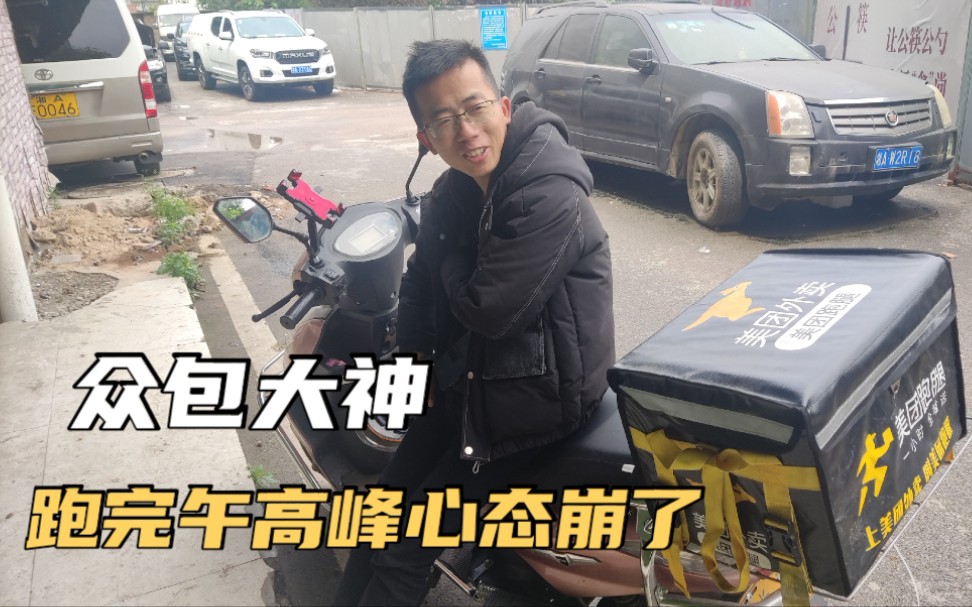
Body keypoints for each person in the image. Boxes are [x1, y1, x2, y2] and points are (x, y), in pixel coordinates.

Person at [333, 39, 614, 606]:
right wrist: (417, 370)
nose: (465, 131)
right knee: (376, 513)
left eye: (474, 107)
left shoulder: (548, 191)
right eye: (443, 120)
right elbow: (417, 287)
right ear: (426, 139)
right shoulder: (455, 191)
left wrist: (451, 254)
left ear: (503, 107)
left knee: (406, 546)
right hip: (467, 386)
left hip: (534, 407)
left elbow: (492, 311)